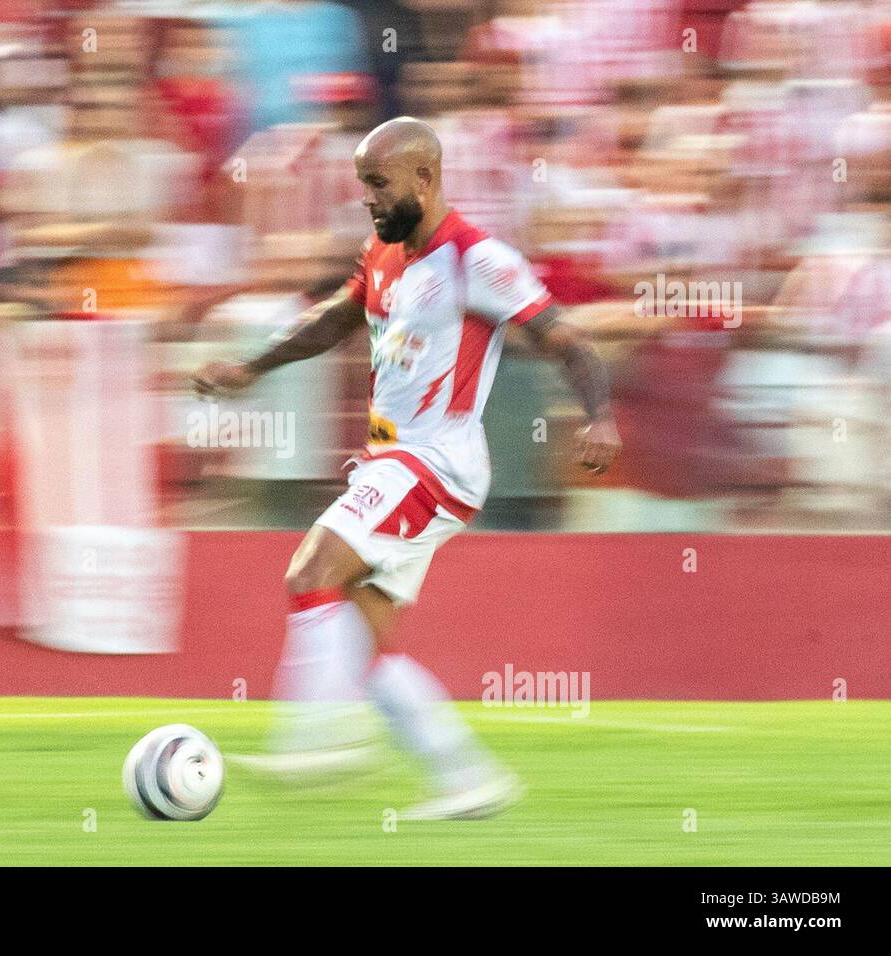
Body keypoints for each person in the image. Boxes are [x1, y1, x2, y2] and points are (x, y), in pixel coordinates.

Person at [192, 117, 622, 820]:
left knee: (310, 573)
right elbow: (333, 319)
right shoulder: (383, 252)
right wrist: (250, 367)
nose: (367, 199)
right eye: (362, 184)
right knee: (364, 642)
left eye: (377, 183)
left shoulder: (475, 258)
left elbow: (566, 337)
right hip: (397, 461)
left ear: (424, 178)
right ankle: (467, 779)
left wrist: (599, 416)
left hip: (436, 458)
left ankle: (322, 735)